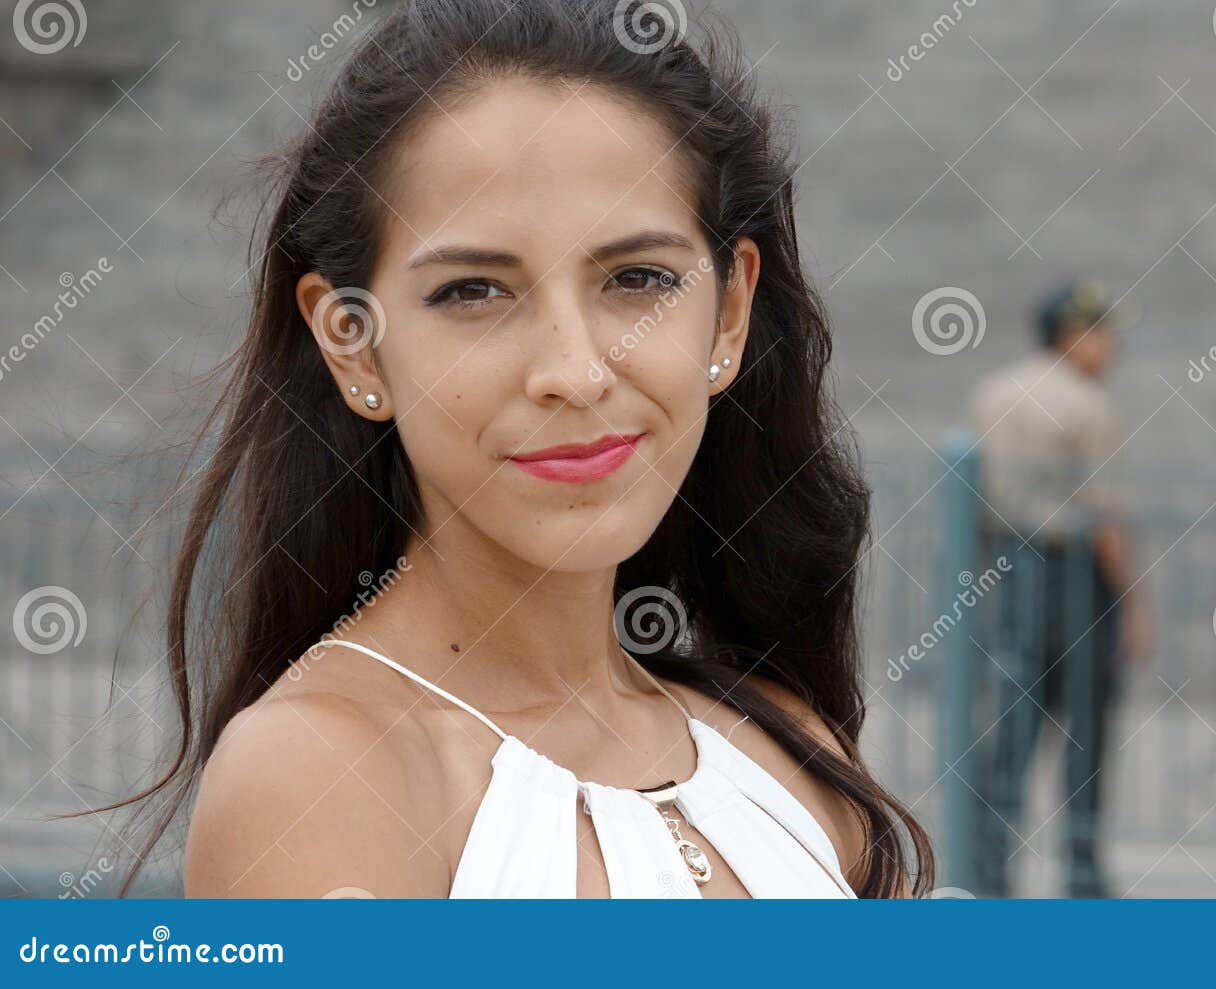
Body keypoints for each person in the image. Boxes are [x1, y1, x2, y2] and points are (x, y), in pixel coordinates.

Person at [107, 0, 934, 899]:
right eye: (473, 291)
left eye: (638, 278)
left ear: (728, 313)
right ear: (354, 345)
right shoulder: (322, 778)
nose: (575, 372)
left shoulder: (789, 755)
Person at [967, 279, 1146, 898]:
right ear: (1075, 334)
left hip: (1008, 567)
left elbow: (972, 491)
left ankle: (989, 867)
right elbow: (1105, 515)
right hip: (1073, 573)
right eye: (1103, 333)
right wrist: (1131, 603)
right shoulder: (1088, 404)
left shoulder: (994, 391)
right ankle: (1082, 867)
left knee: (1012, 722)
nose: (1111, 347)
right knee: (1086, 723)